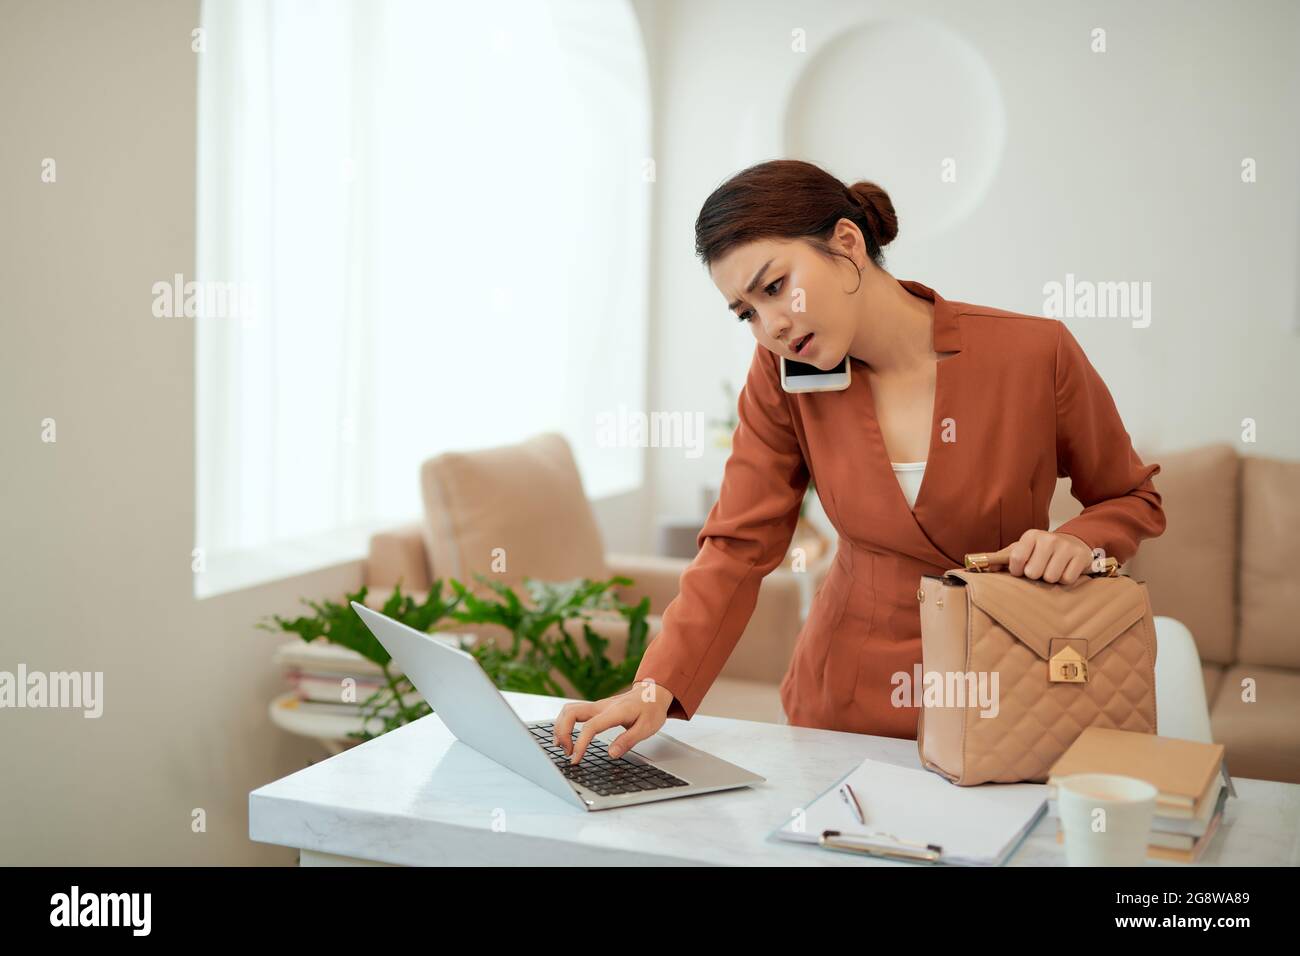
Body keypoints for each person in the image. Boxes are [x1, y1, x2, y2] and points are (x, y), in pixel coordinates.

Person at [553, 158, 1166, 764]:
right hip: (841, 702)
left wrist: (1083, 541)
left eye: (773, 288)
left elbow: (1129, 497)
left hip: (1004, 688)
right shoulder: (783, 377)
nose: (770, 326)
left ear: (847, 244)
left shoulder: (1035, 354)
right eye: (746, 313)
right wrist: (655, 684)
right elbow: (739, 544)